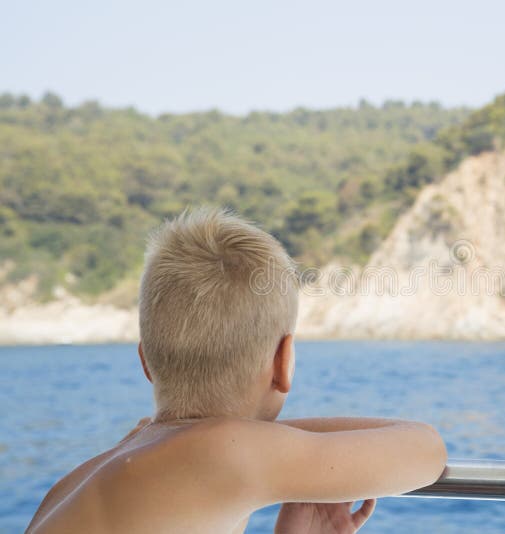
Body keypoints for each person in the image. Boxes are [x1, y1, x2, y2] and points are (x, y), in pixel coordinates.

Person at [26, 207, 447, 534]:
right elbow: (426, 450)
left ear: (146, 362)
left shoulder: (87, 475)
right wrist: (276, 439)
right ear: (285, 363)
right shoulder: (226, 451)